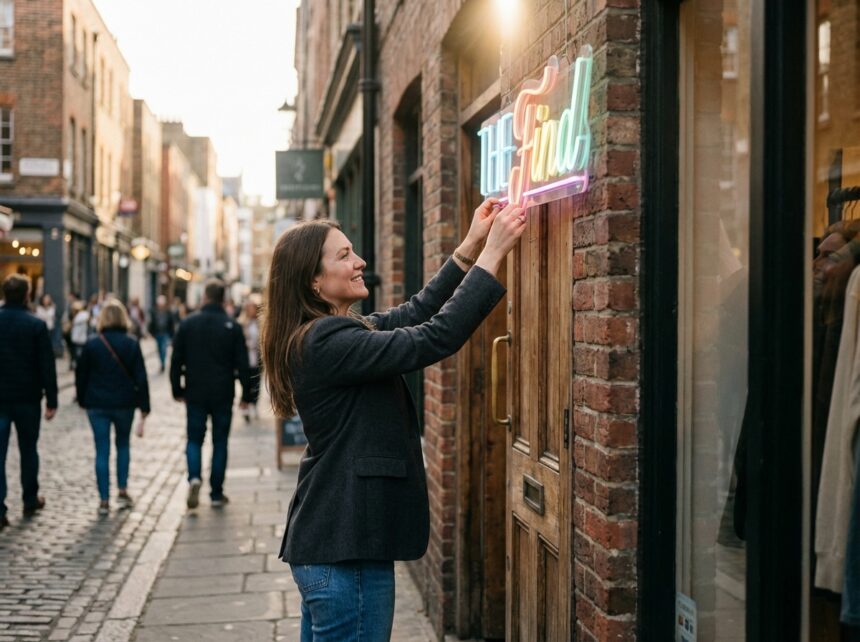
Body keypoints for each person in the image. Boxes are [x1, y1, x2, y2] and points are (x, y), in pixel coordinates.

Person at [261, 198, 525, 641]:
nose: (360, 261)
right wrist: (493, 254)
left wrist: (470, 246)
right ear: (314, 281)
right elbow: (433, 338)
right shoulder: (325, 341)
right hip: (345, 550)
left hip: (334, 546)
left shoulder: (331, 333)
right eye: (344, 255)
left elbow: (414, 314)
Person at [170, 279, 252, 509]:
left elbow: (176, 361)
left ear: (205, 297)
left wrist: (177, 389)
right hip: (222, 391)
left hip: (195, 391)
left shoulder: (187, 324)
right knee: (220, 442)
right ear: (223, 299)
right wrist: (246, 394)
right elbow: (243, 364)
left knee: (194, 438)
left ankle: (194, 477)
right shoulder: (231, 326)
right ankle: (216, 493)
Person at [75, 299, 150, 515]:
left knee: (102, 450)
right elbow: (141, 377)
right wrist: (144, 406)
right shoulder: (131, 343)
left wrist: (82, 399)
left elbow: (82, 376)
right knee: (123, 446)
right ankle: (123, 489)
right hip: (124, 404)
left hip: (97, 404)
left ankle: (104, 500)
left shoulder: (92, 344)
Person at [0, 274, 58, 530]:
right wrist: (52, 399)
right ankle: (29, 498)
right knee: (28, 449)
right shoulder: (35, 325)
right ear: (27, 295)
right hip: (27, 399)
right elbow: (47, 365)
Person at [238, 299, 261, 422]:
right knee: (245, 384)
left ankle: (254, 405)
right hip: (245, 359)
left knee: (256, 384)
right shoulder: (241, 323)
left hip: (256, 358)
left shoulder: (259, 324)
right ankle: (245, 407)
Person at [148, 295, 177, 373]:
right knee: (159, 348)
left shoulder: (168, 312)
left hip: (165, 333)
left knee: (163, 348)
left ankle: (163, 364)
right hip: (157, 333)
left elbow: (171, 323)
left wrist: (172, 335)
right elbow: (151, 323)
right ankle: (162, 362)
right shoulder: (154, 311)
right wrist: (151, 332)